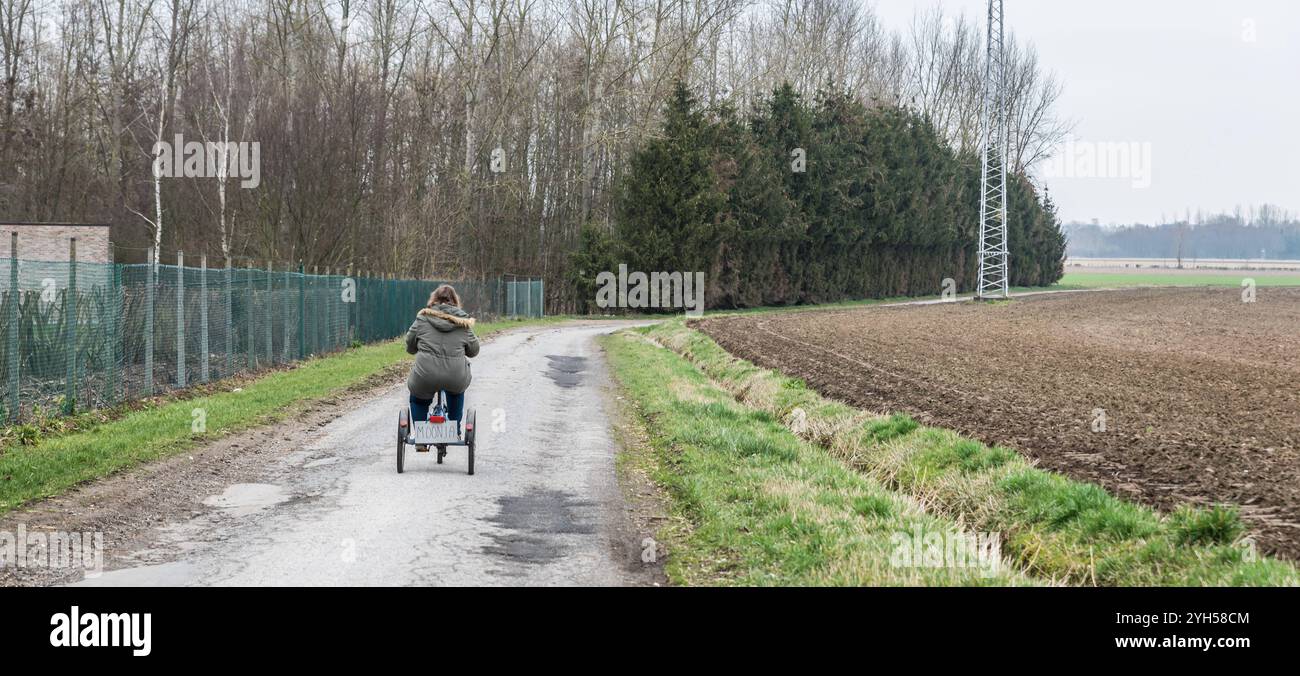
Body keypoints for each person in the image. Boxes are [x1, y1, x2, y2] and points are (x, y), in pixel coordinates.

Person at [405, 284, 480, 451]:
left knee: (418, 398)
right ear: (455, 301)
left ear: (434, 300)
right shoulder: (463, 323)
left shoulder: (422, 319)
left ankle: (421, 438)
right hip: (454, 375)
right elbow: (474, 350)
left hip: (425, 375)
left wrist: (418, 346)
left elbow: (410, 346)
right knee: (456, 392)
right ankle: (454, 430)